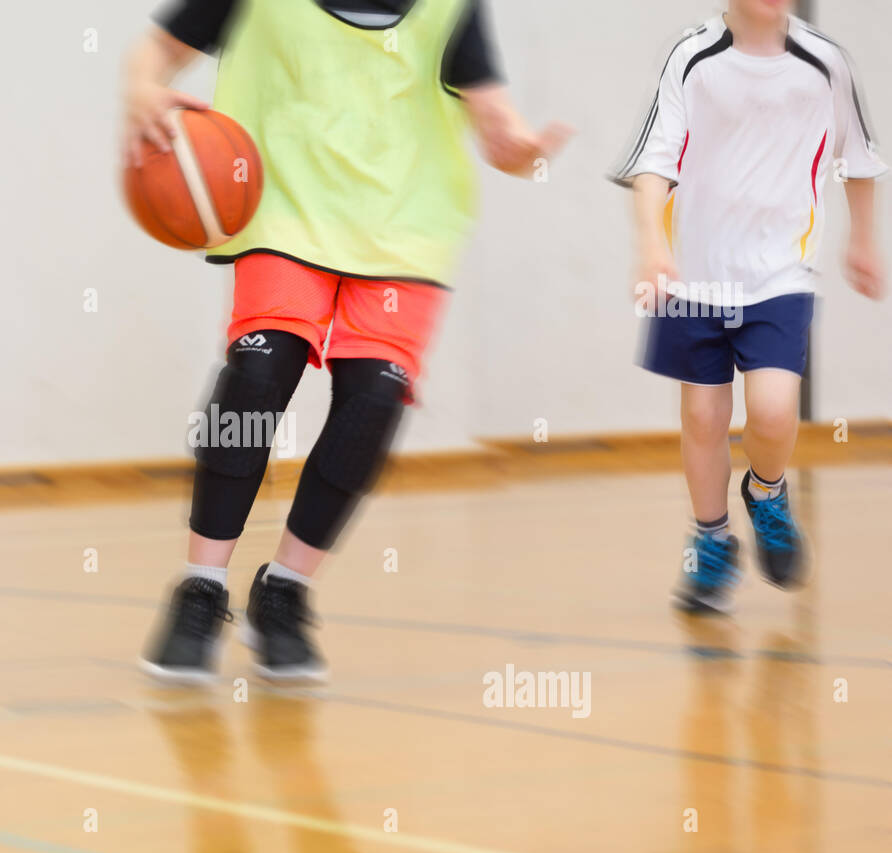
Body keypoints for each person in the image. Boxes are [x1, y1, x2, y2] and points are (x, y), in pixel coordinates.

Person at [129, 0, 569, 683]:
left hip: (404, 226)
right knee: (254, 380)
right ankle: (201, 588)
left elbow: (494, 119)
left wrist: (517, 149)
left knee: (373, 403)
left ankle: (283, 593)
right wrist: (141, 90)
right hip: (282, 209)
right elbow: (155, 52)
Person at [612, 0, 886, 614]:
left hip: (781, 275)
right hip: (693, 279)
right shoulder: (692, 57)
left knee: (771, 409)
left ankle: (766, 492)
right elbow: (653, 164)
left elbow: (858, 157)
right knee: (704, 420)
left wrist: (863, 238)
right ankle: (711, 544)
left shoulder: (825, 63)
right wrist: (653, 245)